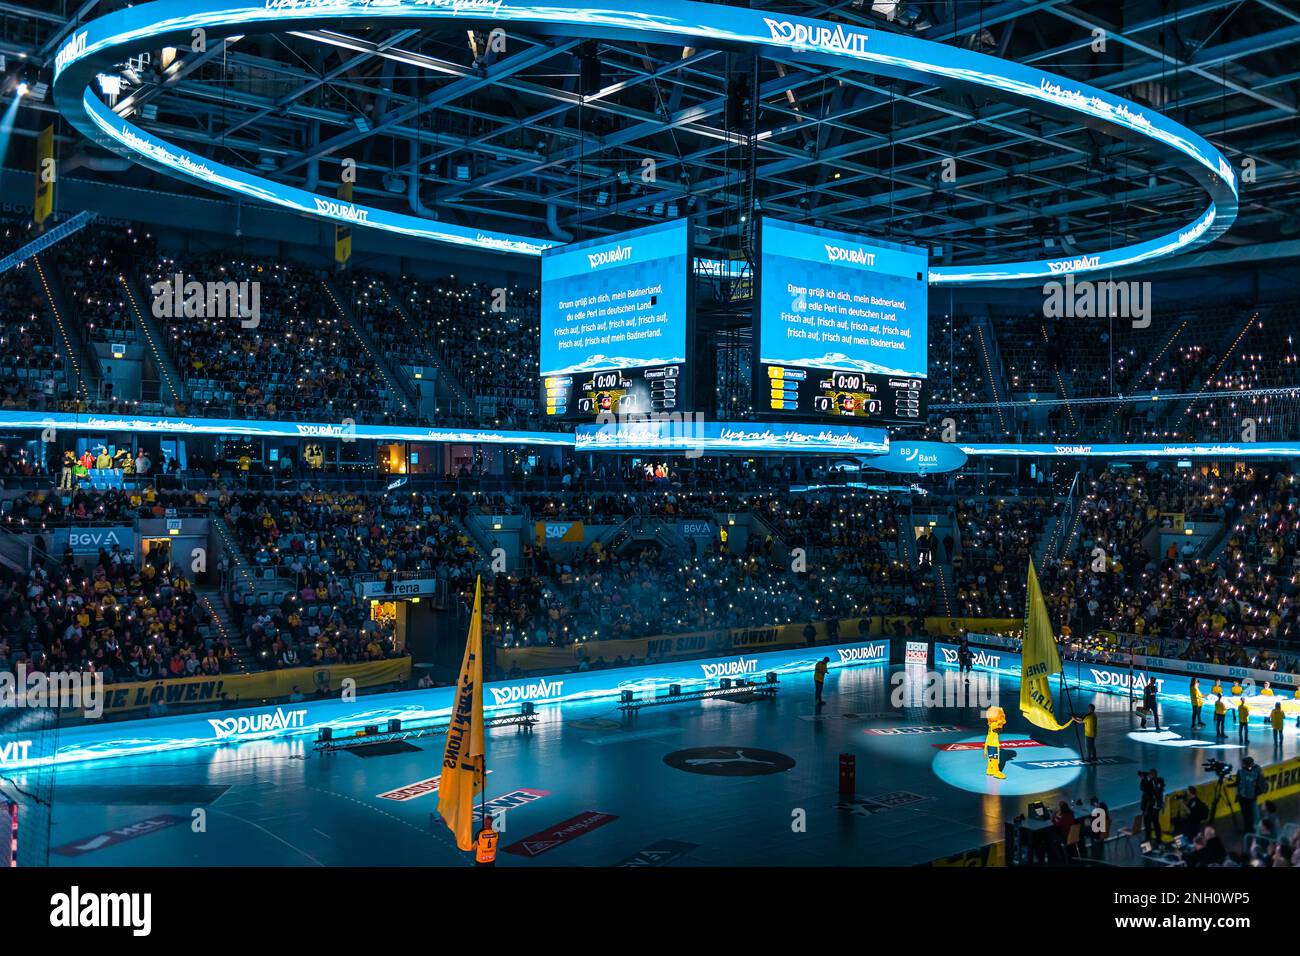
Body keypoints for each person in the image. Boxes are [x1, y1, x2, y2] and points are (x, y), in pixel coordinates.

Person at [1236, 757, 1265, 833]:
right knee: (1254, 811)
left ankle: (1250, 829)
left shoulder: (1241, 772)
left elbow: (1238, 783)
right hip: (1253, 795)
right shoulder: (1257, 769)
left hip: (1245, 797)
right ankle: (1256, 827)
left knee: (1247, 813)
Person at [1140, 768, 1165, 845]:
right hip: (1155, 806)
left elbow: (1144, 789)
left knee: (1148, 823)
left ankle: (1148, 839)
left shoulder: (1152, 783)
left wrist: (1144, 779)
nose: (1149, 776)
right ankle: (1158, 839)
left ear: (1152, 775)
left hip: (1150, 806)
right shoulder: (1159, 781)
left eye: (1150, 774)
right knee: (1156, 823)